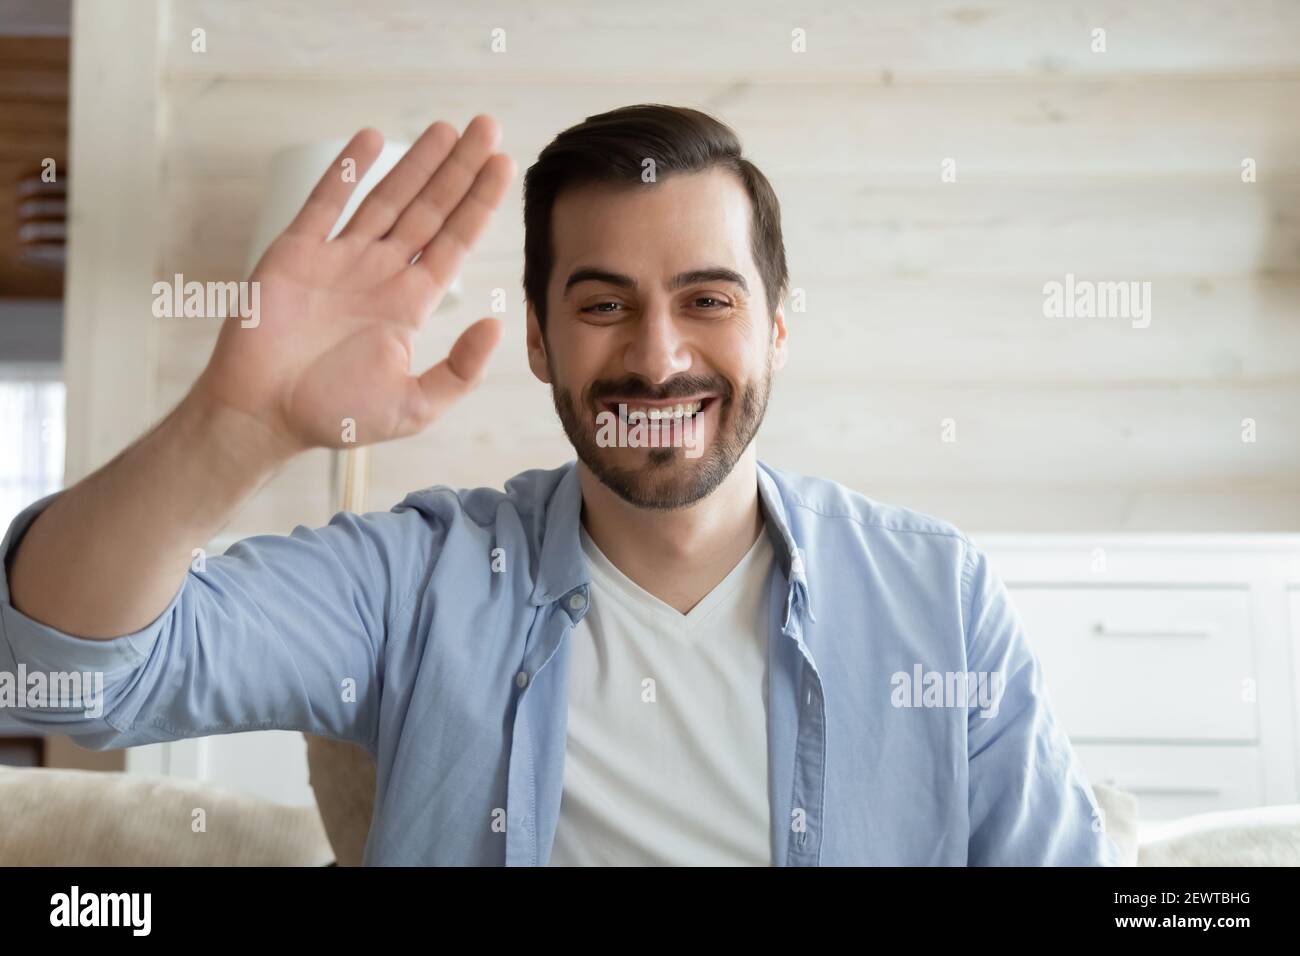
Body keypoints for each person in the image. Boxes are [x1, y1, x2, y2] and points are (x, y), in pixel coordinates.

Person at [1, 105, 1120, 866]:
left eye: (708, 299)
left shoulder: (934, 595)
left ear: (776, 329)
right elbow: (59, 676)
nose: (659, 354)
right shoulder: (416, 581)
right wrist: (233, 425)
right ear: (539, 339)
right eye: (602, 304)